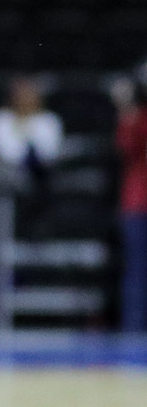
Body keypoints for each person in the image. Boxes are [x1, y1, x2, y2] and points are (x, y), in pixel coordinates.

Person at [0, 75, 62, 191]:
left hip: (43, 171)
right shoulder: (0, 118)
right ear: (12, 97)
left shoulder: (49, 120)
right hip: (9, 170)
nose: (24, 99)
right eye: (20, 95)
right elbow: (3, 150)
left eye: (29, 94)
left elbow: (50, 150)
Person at [114, 72, 146, 333]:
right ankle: (133, 329)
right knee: (136, 269)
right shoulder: (136, 117)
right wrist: (126, 109)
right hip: (138, 204)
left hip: (136, 202)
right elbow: (125, 146)